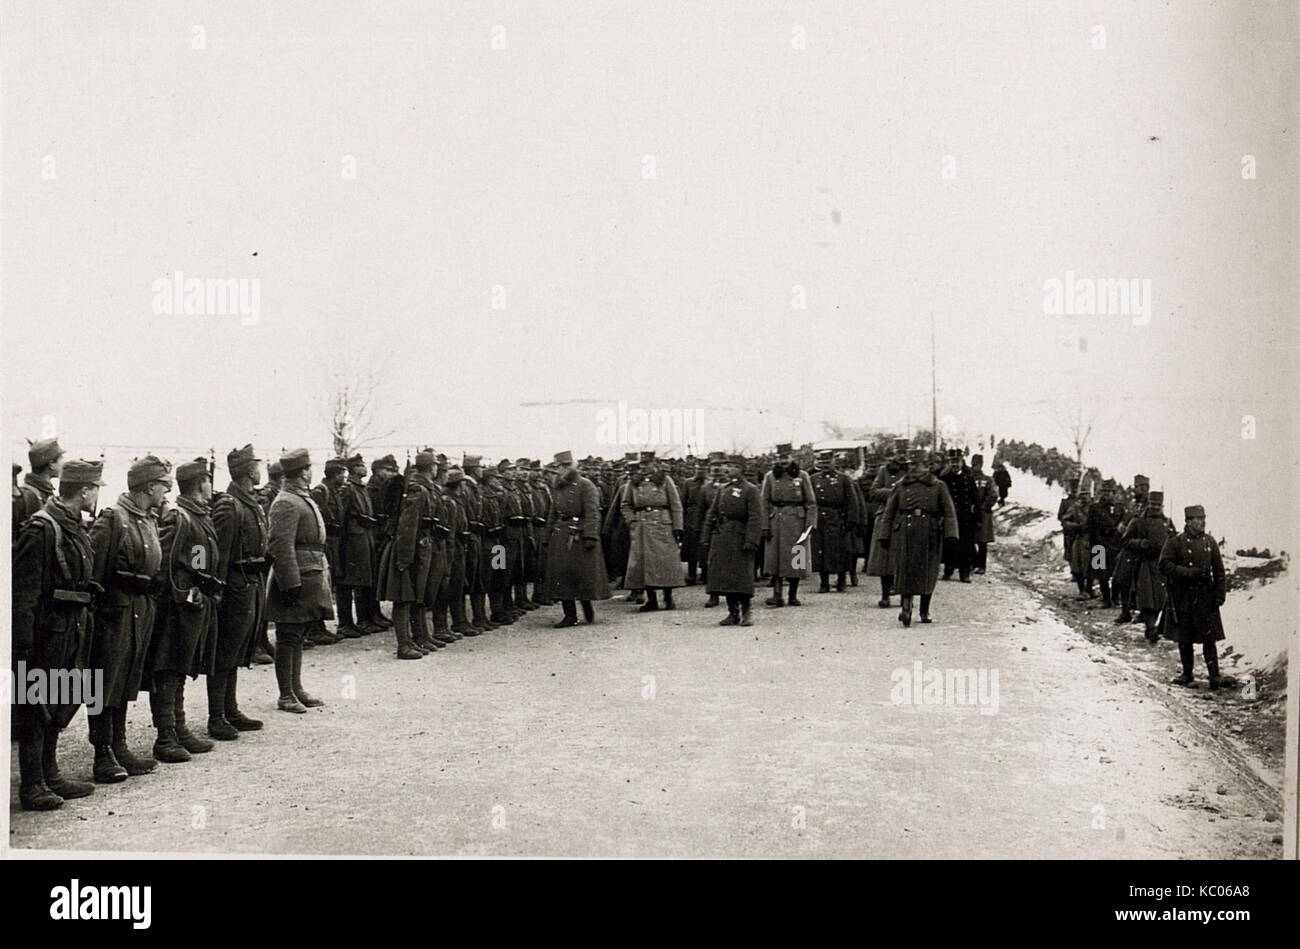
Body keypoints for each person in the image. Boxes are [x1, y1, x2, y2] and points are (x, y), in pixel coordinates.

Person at [11, 458, 103, 809]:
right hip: (45, 632)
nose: (96, 495)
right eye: (94, 488)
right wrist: (21, 647)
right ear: (84, 490)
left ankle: (51, 775)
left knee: (61, 701)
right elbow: (24, 593)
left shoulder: (73, 526)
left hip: (70, 628)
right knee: (37, 705)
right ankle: (32, 785)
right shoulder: (42, 528)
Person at [85, 455, 170, 782]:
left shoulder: (147, 519)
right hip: (115, 613)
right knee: (104, 681)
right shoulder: (114, 519)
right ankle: (102, 752)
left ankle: (118, 745)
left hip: (140, 610)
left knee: (127, 678)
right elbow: (94, 574)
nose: (165, 492)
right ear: (149, 486)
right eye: (163, 485)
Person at [146, 457, 222, 762]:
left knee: (180, 668)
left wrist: (203, 583)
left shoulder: (198, 516)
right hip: (176, 607)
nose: (210, 486)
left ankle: (178, 729)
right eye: (207, 480)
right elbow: (162, 563)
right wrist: (181, 592)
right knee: (168, 669)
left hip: (192, 604)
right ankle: (165, 737)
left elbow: (197, 559)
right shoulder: (179, 517)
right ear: (198, 483)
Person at [207, 445, 270, 740]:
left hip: (250, 584)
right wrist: (217, 590)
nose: (261, 469)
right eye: (257, 464)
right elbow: (217, 553)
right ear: (248, 469)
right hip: (234, 587)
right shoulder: (229, 505)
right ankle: (217, 716)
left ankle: (230, 709)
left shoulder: (250, 502)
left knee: (238, 650)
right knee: (225, 651)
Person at [266, 449, 334, 711]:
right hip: (297, 577)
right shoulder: (286, 501)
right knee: (288, 636)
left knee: (299, 634)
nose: (310, 471)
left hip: (311, 573)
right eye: (308, 468)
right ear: (304, 471)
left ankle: (296, 688)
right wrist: (290, 582)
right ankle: (286, 695)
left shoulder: (298, 498)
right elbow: (281, 545)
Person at [876, 449, 959, 627]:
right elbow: (889, 512)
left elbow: (949, 512)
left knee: (928, 571)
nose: (914, 469)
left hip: (930, 533)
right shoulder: (900, 485)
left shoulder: (938, 486)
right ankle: (906, 606)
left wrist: (951, 534)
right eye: (911, 465)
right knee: (905, 570)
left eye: (918, 465)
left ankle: (924, 609)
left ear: (927, 466)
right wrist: (884, 534)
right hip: (904, 533)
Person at [1159, 505, 1232, 689]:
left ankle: (1214, 676)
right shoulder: (1176, 542)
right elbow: (1164, 565)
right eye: (1198, 519)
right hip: (1183, 597)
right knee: (1185, 637)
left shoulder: (1210, 542)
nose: (1202, 522)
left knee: (1210, 638)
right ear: (1188, 521)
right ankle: (1187, 674)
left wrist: (1219, 595)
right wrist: (1187, 573)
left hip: (1205, 597)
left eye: (1203, 518)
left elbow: (1219, 571)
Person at [379, 451, 440, 659]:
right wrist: (404, 557)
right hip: (409, 547)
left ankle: (419, 637)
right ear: (430, 467)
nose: (437, 468)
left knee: (417, 594)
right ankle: (404, 644)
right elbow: (407, 524)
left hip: (419, 545)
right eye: (435, 465)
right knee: (403, 597)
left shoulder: (424, 487)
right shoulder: (416, 488)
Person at [543, 451, 611, 626]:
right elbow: (553, 512)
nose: (561, 470)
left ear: (571, 466)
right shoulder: (557, 486)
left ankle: (586, 605)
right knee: (562, 575)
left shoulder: (585, 485)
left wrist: (590, 535)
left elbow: (592, 512)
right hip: (561, 533)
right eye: (559, 467)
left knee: (581, 574)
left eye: (565, 466)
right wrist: (547, 534)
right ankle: (569, 614)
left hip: (579, 533)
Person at [700, 455, 762, 627]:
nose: (728, 469)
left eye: (733, 466)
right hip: (722, 537)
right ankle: (732, 612)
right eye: (728, 466)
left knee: (741, 577)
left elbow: (755, 517)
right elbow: (711, 513)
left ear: (741, 469)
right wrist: (706, 536)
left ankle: (746, 611)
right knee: (724, 576)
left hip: (740, 537)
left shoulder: (750, 489)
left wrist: (751, 540)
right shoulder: (722, 489)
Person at [621, 451, 685, 612]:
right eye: (641, 464)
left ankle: (668, 597)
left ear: (654, 464)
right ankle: (652, 600)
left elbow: (676, 505)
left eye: (647, 464)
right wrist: (632, 521)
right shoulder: (634, 482)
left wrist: (677, 527)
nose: (643, 467)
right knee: (644, 563)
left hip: (662, 525)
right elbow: (626, 504)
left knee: (665, 561)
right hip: (642, 526)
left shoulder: (664, 480)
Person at [760, 444, 817, 607]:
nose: (783, 461)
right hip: (776, 520)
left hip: (797, 522)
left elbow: (811, 503)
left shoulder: (802, 476)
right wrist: (765, 525)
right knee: (775, 559)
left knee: (796, 558)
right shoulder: (770, 477)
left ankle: (793, 594)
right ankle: (777, 595)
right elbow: (764, 501)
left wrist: (810, 524)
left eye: (786, 457)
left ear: (792, 457)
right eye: (780, 457)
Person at [1119, 490, 1172, 642]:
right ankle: (1150, 628)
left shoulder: (1167, 522)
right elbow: (1125, 541)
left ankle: (1153, 626)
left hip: (1162, 566)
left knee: (1160, 599)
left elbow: (1173, 540)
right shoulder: (1138, 521)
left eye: (1158, 505)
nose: (1155, 507)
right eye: (1153, 504)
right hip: (1144, 564)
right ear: (1148, 504)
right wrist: (1140, 543)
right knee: (1147, 598)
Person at [338, 453, 381, 635]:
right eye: (361, 465)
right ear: (353, 468)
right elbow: (342, 515)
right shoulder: (349, 488)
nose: (364, 468)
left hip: (365, 537)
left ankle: (368, 618)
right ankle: (353, 622)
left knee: (366, 579)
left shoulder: (361, 488)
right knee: (355, 580)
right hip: (354, 539)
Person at [312, 457, 352, 638]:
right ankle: (316, 629)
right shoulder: (321, 491)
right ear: (334, 474)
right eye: (342, 473)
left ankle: (328, 627)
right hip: (327, 543)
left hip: (337, 542)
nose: (344, 477)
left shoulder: (335, 491)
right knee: (321, 585)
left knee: (334, 583)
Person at [810, 450, 860, 592]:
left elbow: (852, 501)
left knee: (840, 550)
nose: (825, 465)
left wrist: (851, 520)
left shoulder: (844, 479)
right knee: (821, 550)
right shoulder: (813, 479)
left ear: (834, 463)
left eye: (828, 462)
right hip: (820, 519)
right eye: (822, 463)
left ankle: (841, 579)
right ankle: (824, 582)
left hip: (838, 518)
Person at [866, 441, 908, 607]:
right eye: (899, 452)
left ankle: (905, 596)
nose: (901, 455)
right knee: (885, 558)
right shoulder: (885, 471)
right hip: (886, 516)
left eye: (904, 452)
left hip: (905, 516)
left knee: (905, 557)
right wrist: (895, 493)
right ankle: (885, 594)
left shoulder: (913, 471)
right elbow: (874, 492)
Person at [1109, 474, 1149, 624]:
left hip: (1141, 548)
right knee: (1122, 579)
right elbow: (1126, 519)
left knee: (1142, 583)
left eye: (1138, 487)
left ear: (1145, 488)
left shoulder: (1150, 506)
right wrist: (1122, 526)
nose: (1135, 490)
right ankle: (1125, 611)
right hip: (1128, 547)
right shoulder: (1134, 505)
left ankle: (1142, 613)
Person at [1085, 479, 1126, 608]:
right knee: (1101, 573)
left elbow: (1124, 525)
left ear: (1114, 493)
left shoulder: (1120, 508)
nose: (1106, 494)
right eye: (1104, 491)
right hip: (1099, 544)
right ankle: (1106, 599)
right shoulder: (1094, 507)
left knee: (1116, 573)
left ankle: (1115, 597)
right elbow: (1089, 525)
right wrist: (1089, 540)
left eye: (1109, 492)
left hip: (1116, 545)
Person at [940, 448, 979, 583]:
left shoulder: (968, 479)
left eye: (957, 461)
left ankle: (965, 573)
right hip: (950, 517)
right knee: (950, 544)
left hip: (965, 518)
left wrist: (977, 518)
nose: (955, 464)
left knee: (966, 546)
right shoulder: (944, 479)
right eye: (952, 462)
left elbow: (975, 499)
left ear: (962, 462)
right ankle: (948, 570)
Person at [17, 436, 64, 524]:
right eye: (61, 459)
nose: (63, 464)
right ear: (51, 464)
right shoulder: (31, 496)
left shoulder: (44, 492)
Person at [679, 460, 708, 585]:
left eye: (703, 469)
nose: (700, 471)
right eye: (698, 468)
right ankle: (691, 574)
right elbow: (683, 502)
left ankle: (706, 573)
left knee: (705, 545)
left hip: (706, 516)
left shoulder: (710, 483)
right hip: (691, 516)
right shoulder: (688, 483)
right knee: (691, 547)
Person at [970, 454, 997, 574]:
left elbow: (993, 495)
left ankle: (981, 566)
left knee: (982, 542)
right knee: (968, 540)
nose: (974, 466)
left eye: (976, 464)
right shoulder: (967, 478)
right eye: (973, 464)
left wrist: (983, 507)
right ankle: (972, 563)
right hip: (969, 512)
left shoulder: (988, 480)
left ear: (981, 465)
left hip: (983, 514)